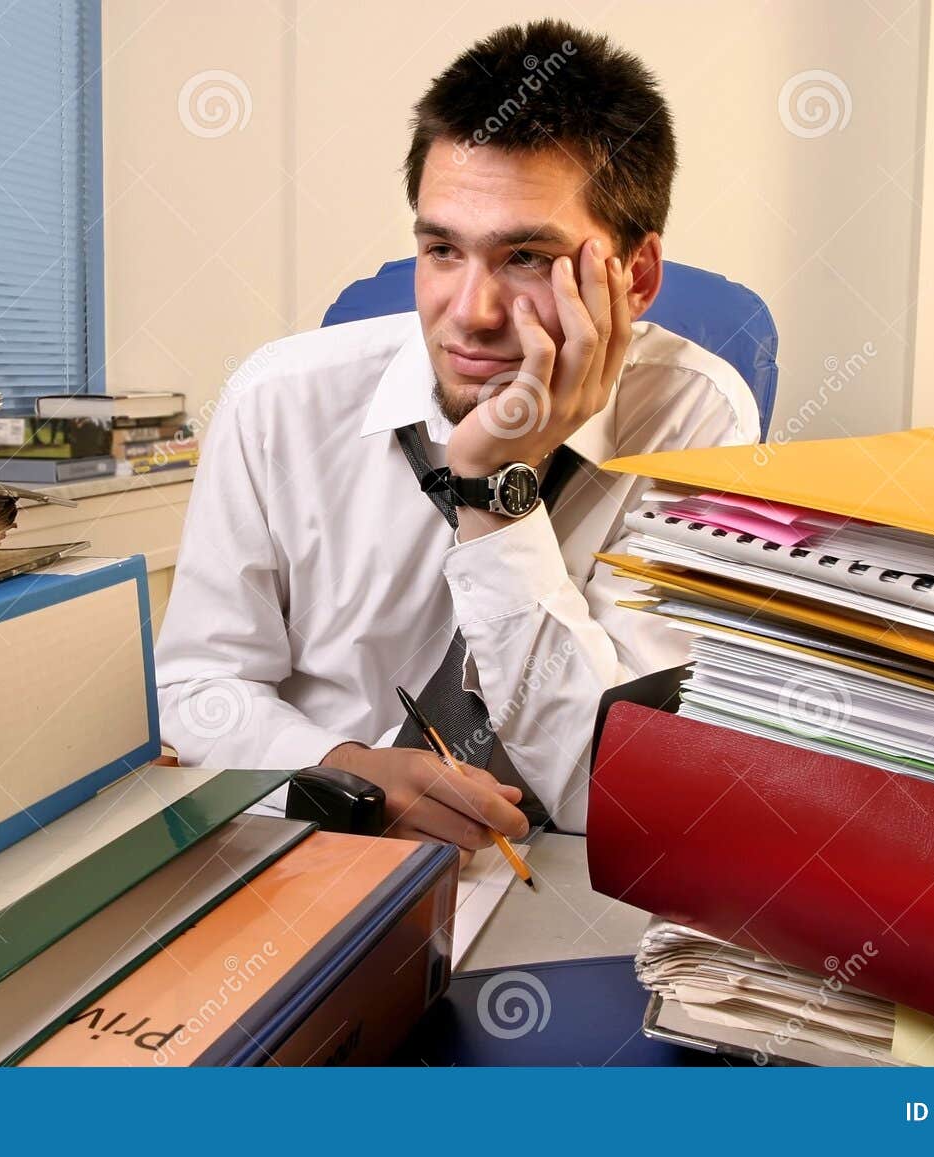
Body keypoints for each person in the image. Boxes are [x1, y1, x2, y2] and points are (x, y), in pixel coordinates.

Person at [155, 19, 758, 852]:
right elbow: (199, 688)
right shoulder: (277, 402)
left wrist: (494, 493)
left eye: (525, 258)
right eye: (443, 248)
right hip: (316, 843)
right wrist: (340, 772)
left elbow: (616, 789)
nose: (470, 314)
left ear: (636, 276)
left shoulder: (695, 420)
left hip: (564, 876)